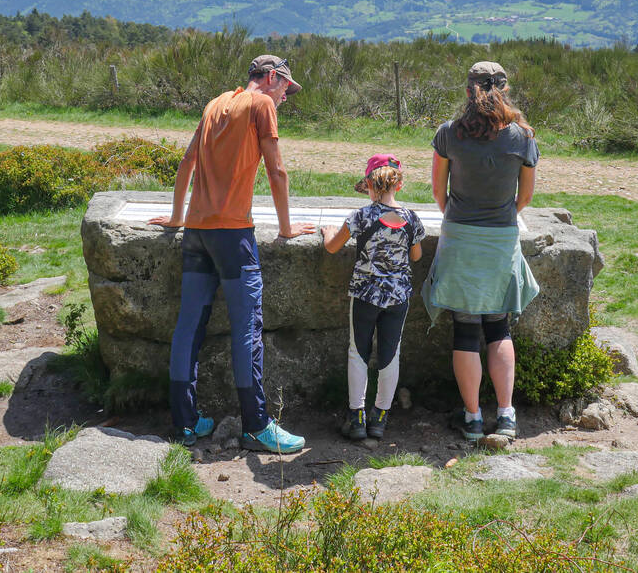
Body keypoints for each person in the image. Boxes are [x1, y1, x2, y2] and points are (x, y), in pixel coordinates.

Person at [149, 55, 317, 453]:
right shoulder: (260, 105)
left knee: (188, 326)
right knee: (247, 330)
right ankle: (257, 425)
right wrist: (287, 228)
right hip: (232, 235)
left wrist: (177, 216)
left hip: (196, 231)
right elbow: (277, 172)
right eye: (285, 90)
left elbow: (187, 160)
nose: (285, 100)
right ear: (272, 78)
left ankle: (186, 424)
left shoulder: (215, 103)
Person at [424, 61, 539, 442]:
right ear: (503, 89)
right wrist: (502, 216)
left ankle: (472, 418)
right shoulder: (523, 137)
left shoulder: (448, 134)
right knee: (498, 326)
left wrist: (457, 218)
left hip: (459, 235)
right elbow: (525, 197)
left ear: (469, 89)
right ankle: (506, 416)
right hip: (500, 237)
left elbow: (439, 194)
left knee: (465, 329)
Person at [322, 154, 425, 441]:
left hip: (365, 294)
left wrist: (327, 232)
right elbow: (416, 256)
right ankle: (380, 418)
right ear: (399, 186)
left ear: (369, 185)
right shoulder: (411, 219)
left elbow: (332, 247)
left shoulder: (360, 217)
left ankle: (357, 418)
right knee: (390, 355)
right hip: (398, 297)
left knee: (359, 352)